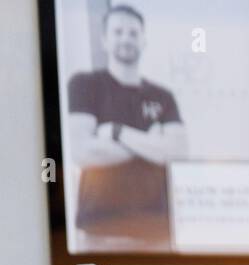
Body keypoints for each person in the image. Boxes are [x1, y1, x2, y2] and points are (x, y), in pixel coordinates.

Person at [64, 3, 188, 249]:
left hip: (158, 232)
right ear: (104, 40)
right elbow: (82, 152)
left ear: (143, 40)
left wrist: (117, 133)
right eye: (118, 32)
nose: (126, 39)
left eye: (133, 33)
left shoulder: (163, 96)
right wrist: (151, 144)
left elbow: (177, 152)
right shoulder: (85, 84)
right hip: (101, 230)